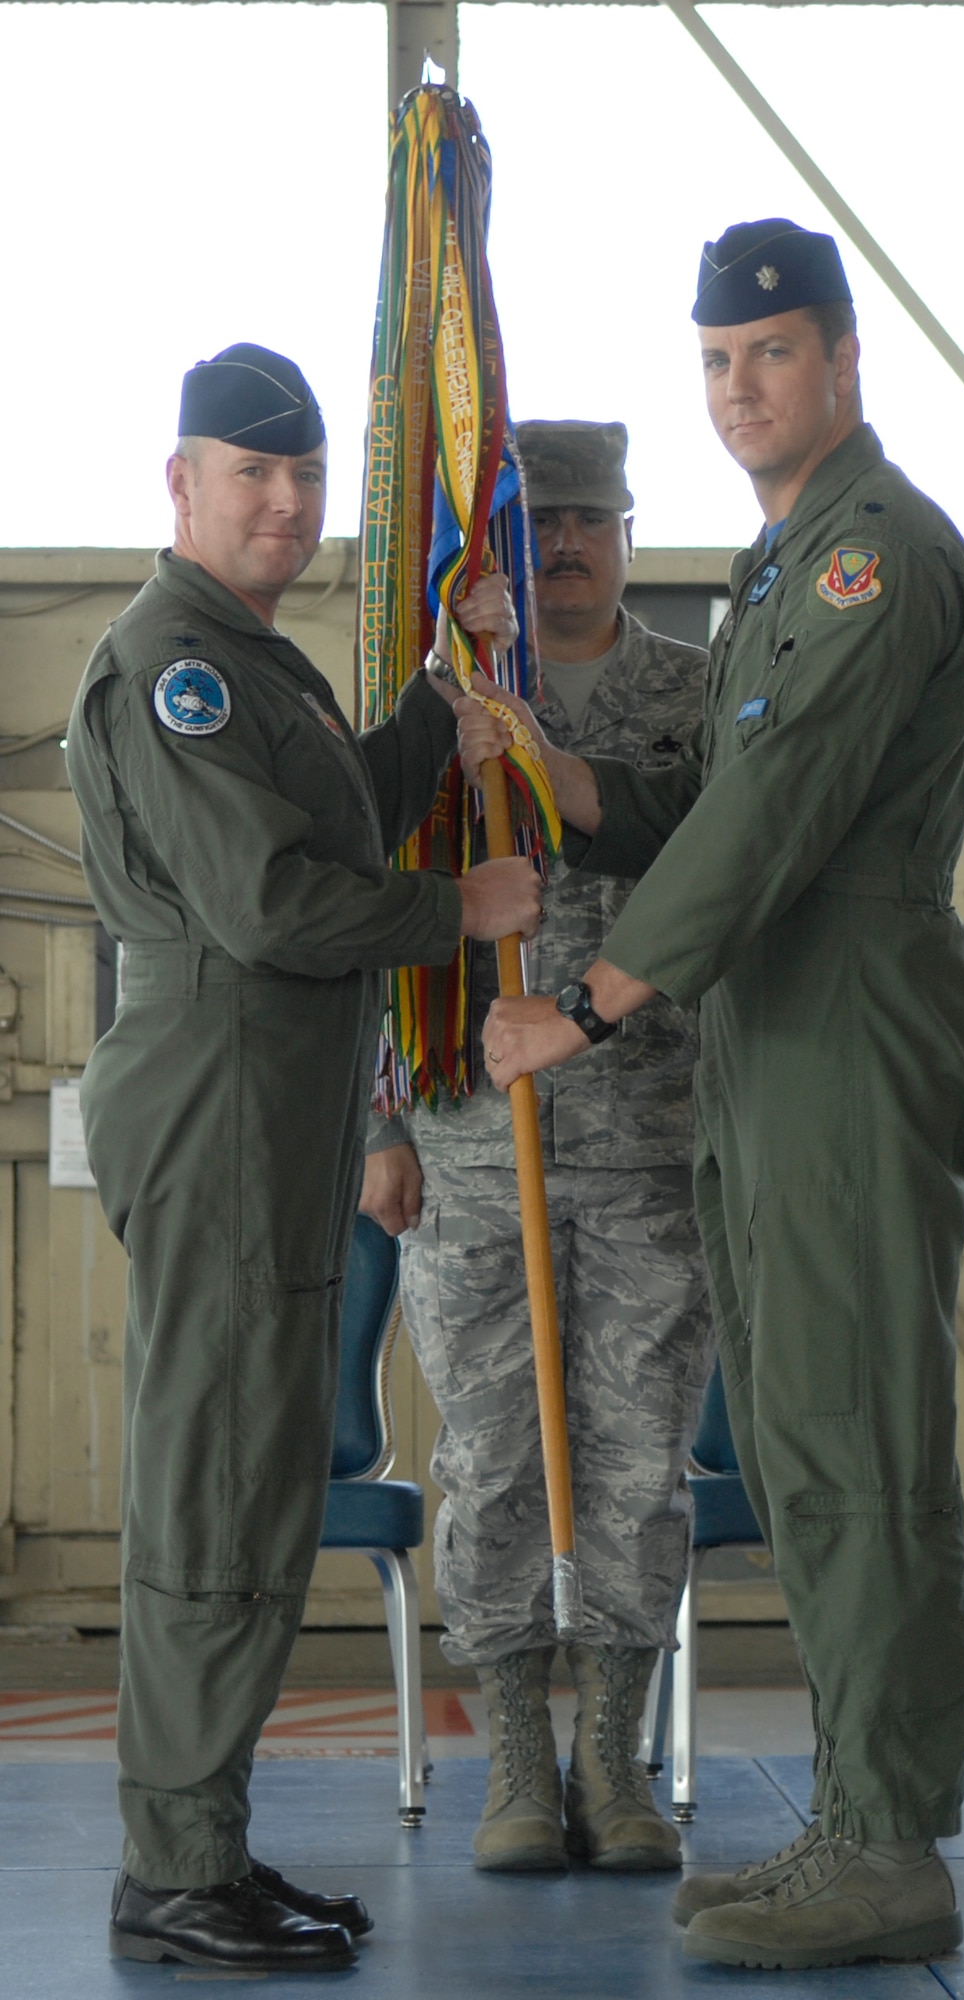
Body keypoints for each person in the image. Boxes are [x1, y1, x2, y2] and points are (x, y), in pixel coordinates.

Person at [474, 224, 964, 1971]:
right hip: (771, 1040)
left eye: (771, 353)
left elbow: (770, 824)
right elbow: (703, 792)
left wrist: (590, 1006)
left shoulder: (870, 559)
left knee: (860, 1442)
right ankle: (852, 1816)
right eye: (716, 361)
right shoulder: (780, 565)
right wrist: (561, 775)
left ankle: (892, 1847)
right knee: (795, 1440)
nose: (739, 387)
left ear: (843, 359)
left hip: (849, 1020)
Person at [65, 342, 541, 1975]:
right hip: (219, 1101)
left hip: (270, 1111)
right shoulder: (176, 672)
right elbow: (270, 901)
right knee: (217, 1486)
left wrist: (436, 707)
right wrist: (456, 909)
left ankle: (205, 1850)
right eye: (251, 473)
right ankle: (174, 1870)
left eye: (306, 476)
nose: (284, 502)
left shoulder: (255, 664)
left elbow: (331, 823)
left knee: (260, 1481)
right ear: (182, 485)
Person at [360, 419, 713, 1874]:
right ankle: (514, 1761)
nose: (564, 544)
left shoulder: (693, 696)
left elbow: (729, 879)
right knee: (493, 1455)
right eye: (541, 520)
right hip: (466, 1140)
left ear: (630, 535)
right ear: (503, 540)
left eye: (590, 520)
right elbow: (375, 896)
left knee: (637, 1457)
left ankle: (612, 1764)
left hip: (647, 1140)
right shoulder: (437, 699)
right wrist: (381, 1120)